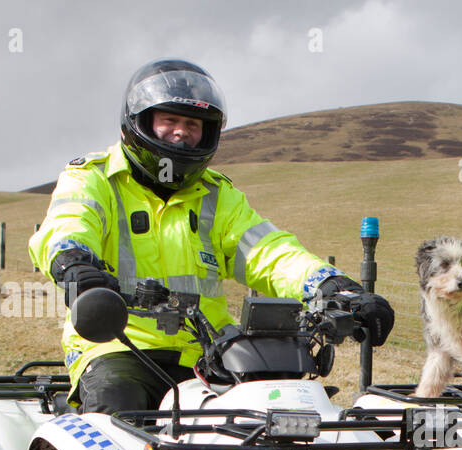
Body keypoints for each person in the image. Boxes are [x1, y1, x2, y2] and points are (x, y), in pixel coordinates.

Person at [29, 58, 392, 412]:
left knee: (282, 414)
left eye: (193, 124)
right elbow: (69, 223)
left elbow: (268, 251)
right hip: (119, 346)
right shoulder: (94, 178)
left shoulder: (218, 196)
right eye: (169, 119)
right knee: (117, 408)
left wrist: (333, 286)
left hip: (210, 352)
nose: (181, 132)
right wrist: (74, 264)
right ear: (137, 122)